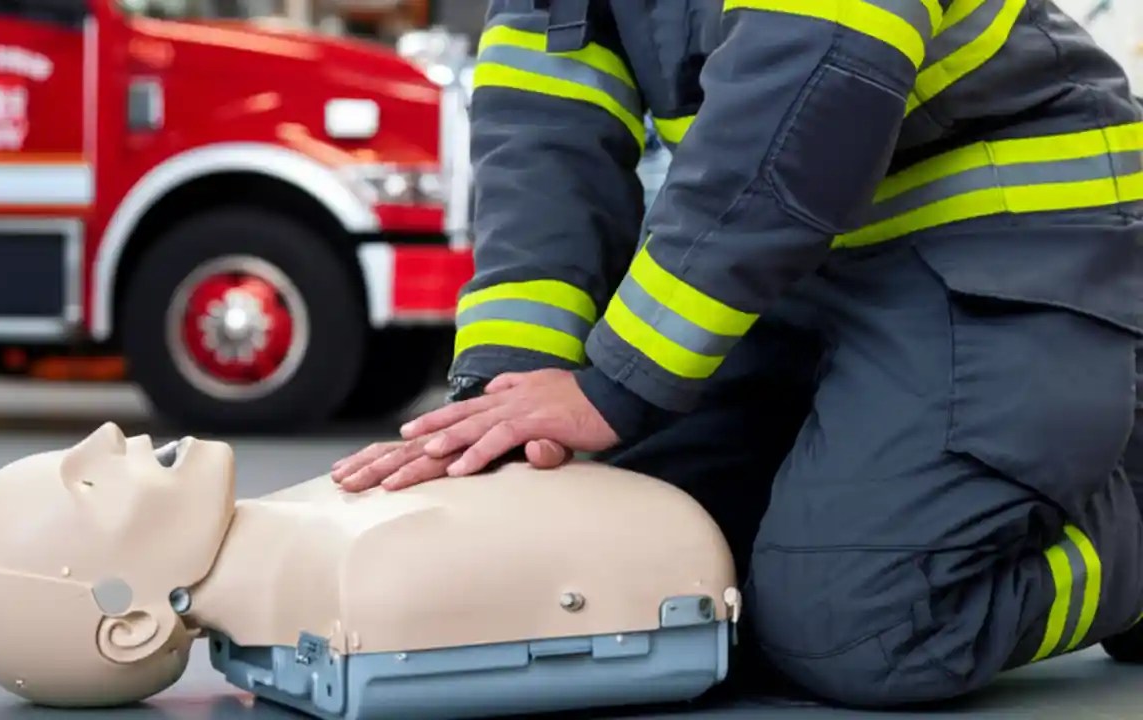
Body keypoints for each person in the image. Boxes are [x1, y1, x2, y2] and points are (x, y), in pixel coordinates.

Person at [332, 0, 1143, 707]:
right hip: (793, 269)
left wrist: (617, 386)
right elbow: (542, 144)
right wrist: (501, 405)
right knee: (638, 571)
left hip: (1007, 248)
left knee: (865, 625)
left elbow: (804, 107)